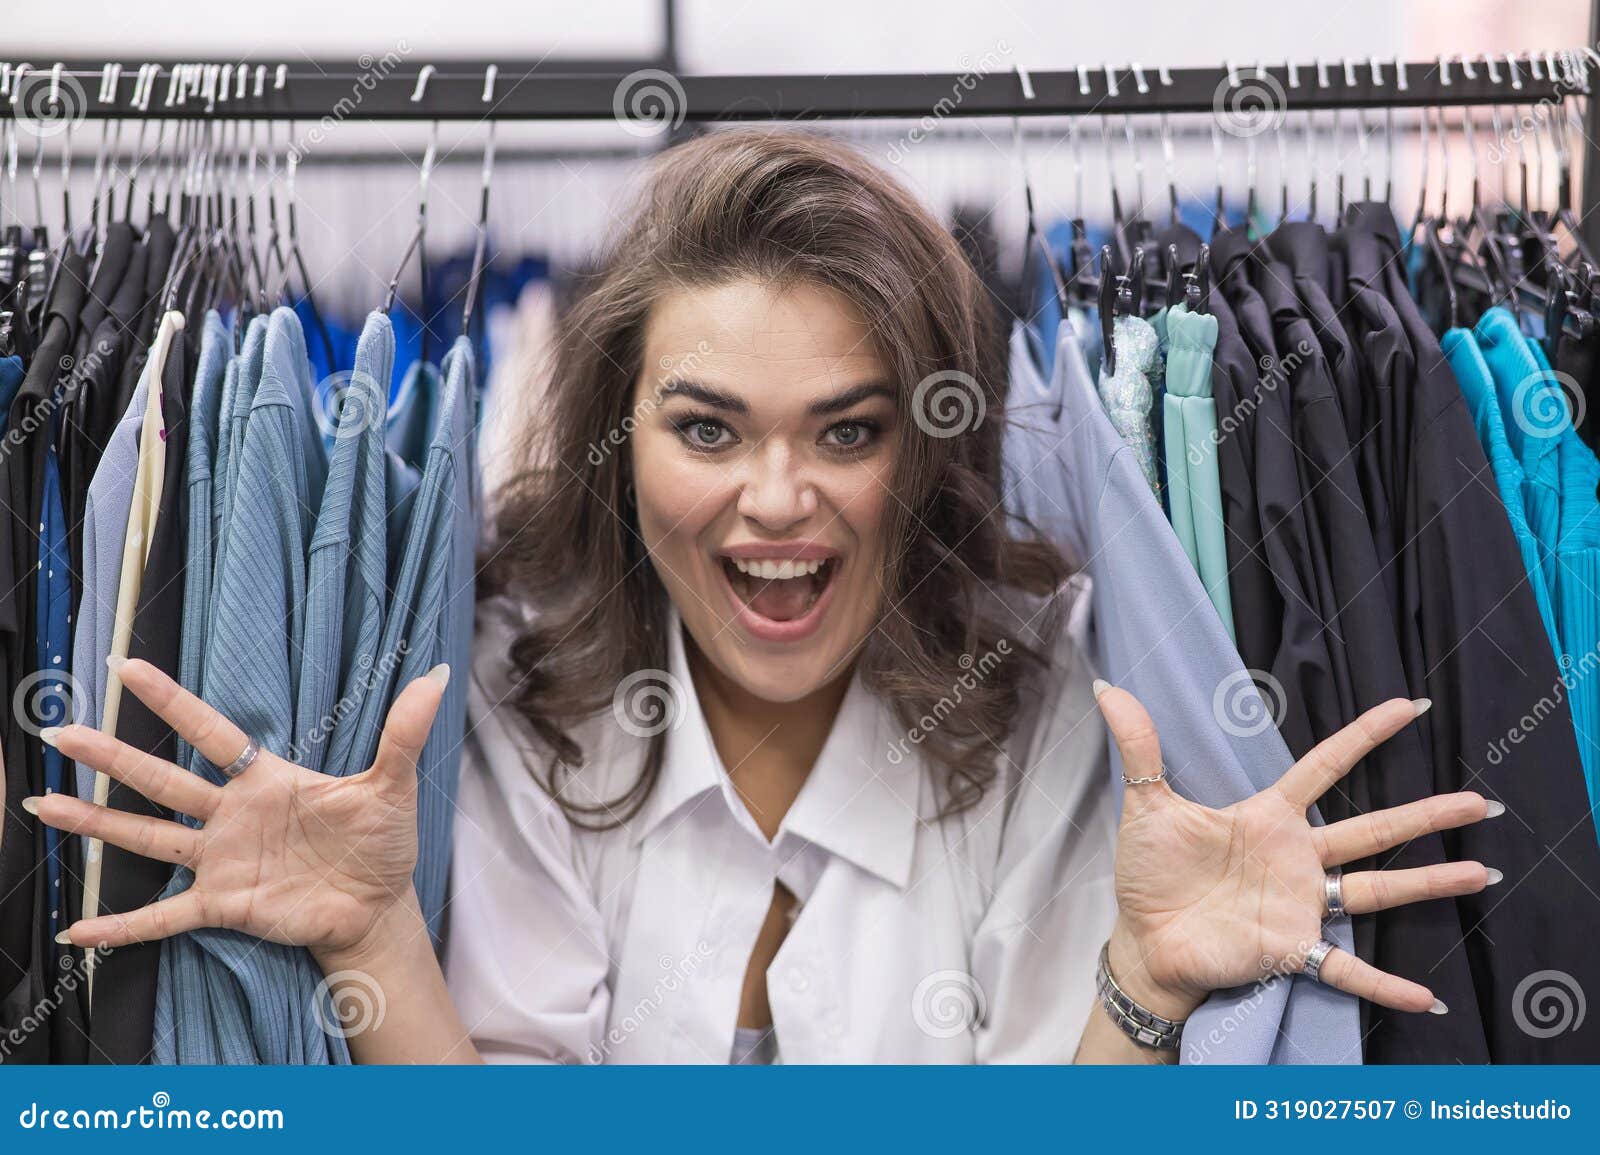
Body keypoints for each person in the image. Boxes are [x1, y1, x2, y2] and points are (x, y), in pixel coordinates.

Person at [27, 129, 1495, 1064]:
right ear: (619, 443)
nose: (778, 500)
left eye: (848, 432)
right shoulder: (505, 688)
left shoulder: (1049, 700)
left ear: (925, 452)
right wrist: (371, 944)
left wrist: (1145, 989)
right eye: (707, 429)